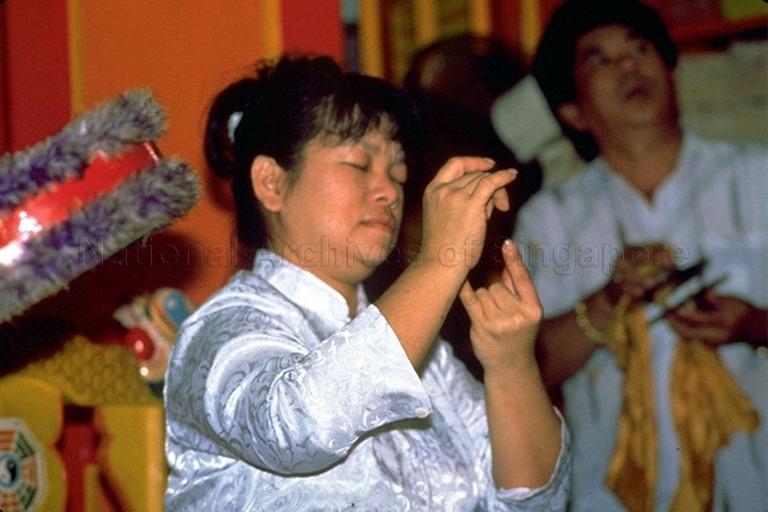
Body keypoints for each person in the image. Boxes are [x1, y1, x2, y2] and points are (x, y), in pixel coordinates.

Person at [163, 55, 570, 510]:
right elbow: (295, 425)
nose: (390, 190)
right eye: (359, 164)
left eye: (398, 171)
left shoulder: (427, 357)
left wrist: (511, 366)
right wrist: (438, 261)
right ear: (272, 183)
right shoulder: (224, 330)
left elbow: (535, 504)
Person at [511, 1, 768, 511]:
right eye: (599, 61)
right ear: (573, 112)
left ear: (670, 68)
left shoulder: (756, 178)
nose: (628, 66)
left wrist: (755, 325)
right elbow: (527, 370)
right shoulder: (549, 220)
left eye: (639, 47)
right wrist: (607, 302)